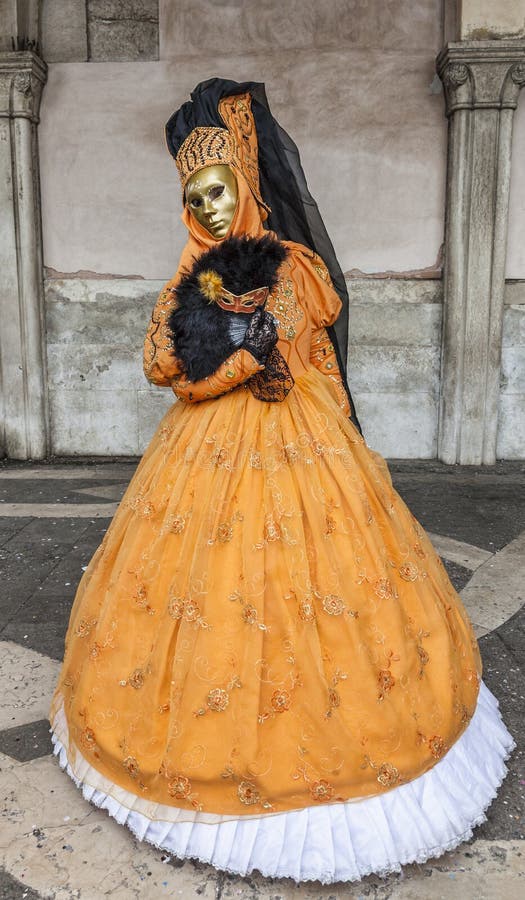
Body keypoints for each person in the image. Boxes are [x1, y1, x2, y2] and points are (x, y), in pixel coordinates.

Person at [49, 79, 515, 884]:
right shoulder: (188, 277)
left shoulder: (293, 268)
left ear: (245, 185)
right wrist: (234, 360)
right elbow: (163, 367)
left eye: (221, 190)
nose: (212, 210)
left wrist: (304, 393)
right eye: (196, 197)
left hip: (300, 441)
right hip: (202, 448)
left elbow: (308, 358)